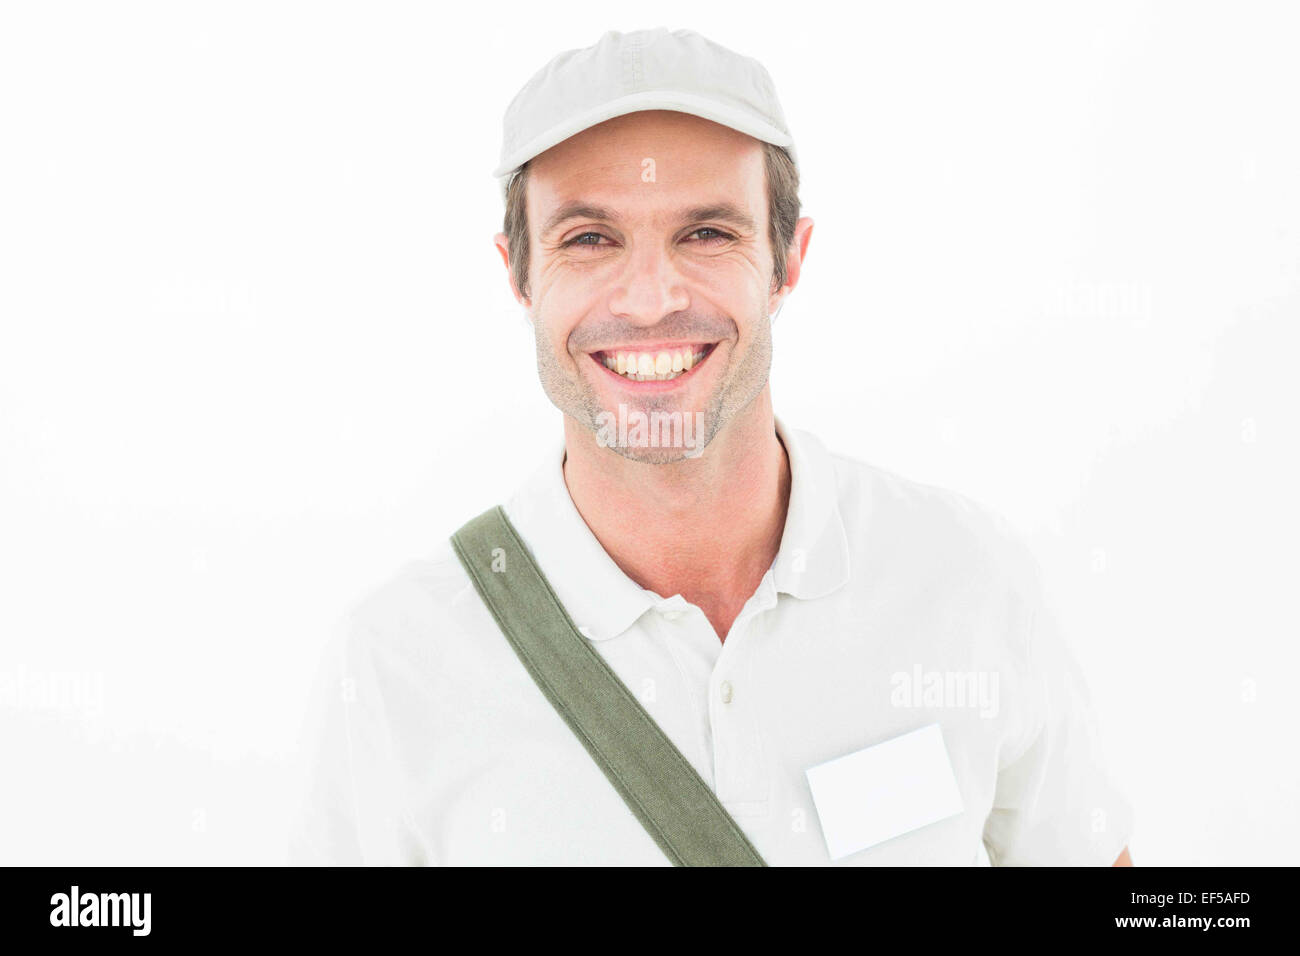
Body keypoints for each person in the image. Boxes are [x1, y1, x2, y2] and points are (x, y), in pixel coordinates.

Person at [287, 27, 1134, 866]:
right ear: (518, 274)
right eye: (589, 238)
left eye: (706, 234)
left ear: (786, 260)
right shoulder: (397, 666)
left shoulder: (964, 580)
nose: (652, 300)